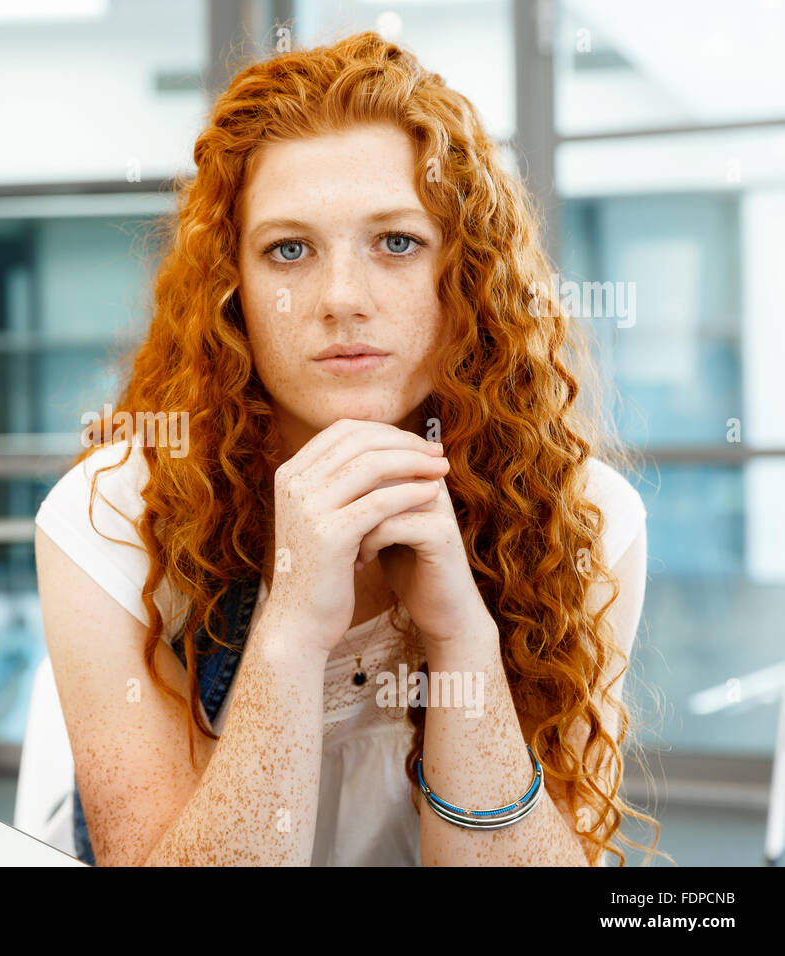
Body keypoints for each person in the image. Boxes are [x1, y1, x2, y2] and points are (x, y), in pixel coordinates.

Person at [34, 32, 666, 866]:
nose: (340, 300)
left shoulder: (582, 519)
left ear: (465, 279)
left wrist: (461, 642)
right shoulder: (109, 516)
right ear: (234, 294)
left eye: (396, 242)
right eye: (288, 250)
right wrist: (292, 627)